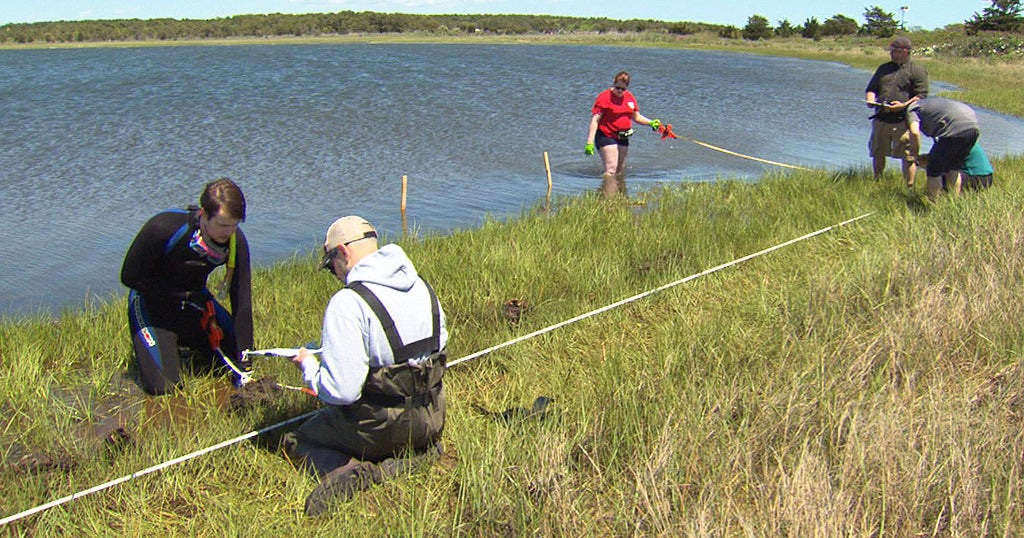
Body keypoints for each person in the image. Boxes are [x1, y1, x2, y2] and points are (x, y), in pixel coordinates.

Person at [285, 216, 447, 516]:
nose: (334, 274)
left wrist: (309, 367)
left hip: (383, 429)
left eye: (331, 265)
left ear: (343, 253)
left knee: (297, 438)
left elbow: (341, 392)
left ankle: (364, 472)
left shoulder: (348, 303)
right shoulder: (424, 287)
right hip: (432, 418)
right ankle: (419, 454)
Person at [121, 178, 253, 395]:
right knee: (164, 387)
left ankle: (185, 343)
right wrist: (181, 295)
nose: (228, 233)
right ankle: (164, 346)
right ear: (203, 214)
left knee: (233, 360)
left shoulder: (235, 241)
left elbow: (242, 301)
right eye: (222, 225)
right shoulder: (165, 228)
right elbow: (129, 277)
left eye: (234, 225)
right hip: (151, 304)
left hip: (194, 304)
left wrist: (246, 364)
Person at [585, 71, 664, 198]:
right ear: (614, 83)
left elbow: (637, 117)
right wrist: (589, 142)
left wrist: (652, 123)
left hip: (623, 136)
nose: (620, 91)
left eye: (623, 89)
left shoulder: (629, 98)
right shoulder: (604, 97)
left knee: (619, 171)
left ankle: (620, 197)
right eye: (618, 87)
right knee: (611, 170)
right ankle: (608, 200)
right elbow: (595, 120)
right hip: (606, 135)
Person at [865, 36, 929, 188]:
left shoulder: (917, 71)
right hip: (881, 118)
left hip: (903, 120)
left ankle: (909, 186)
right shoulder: (884, 68)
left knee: (908, 155)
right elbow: (871, 88)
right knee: (877, 152)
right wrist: (870, 99)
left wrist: (903, 105)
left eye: (896, 51)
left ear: (905, 52)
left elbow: (921, 96)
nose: (893, 54)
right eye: (892, 51)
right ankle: (877, 182)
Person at [905, 97, 981, 199]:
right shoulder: (929, 104)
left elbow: (914, 132)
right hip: (973, 128)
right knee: (954, 167)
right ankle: (953, 201)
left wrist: (914, 153)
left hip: (954, 130)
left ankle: (934, 203)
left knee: (933, 169)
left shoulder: (911, 109)